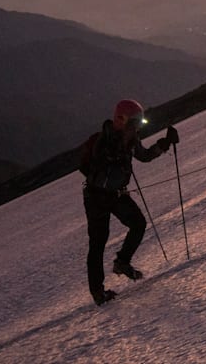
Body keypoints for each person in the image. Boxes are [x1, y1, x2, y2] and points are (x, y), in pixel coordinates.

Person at [80, 98, 179, 306]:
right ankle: (99, 292)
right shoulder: (104, 140)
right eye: (134, 122)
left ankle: (122, 262)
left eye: (138, 123)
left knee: (138, 224)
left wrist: (164, 143)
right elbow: (104, 159)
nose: (137, 127)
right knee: (98, 242)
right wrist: (124, 142)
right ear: (121, 119)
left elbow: (144, 156)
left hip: (114, 195)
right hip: (97, 197)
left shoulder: (130, 140)